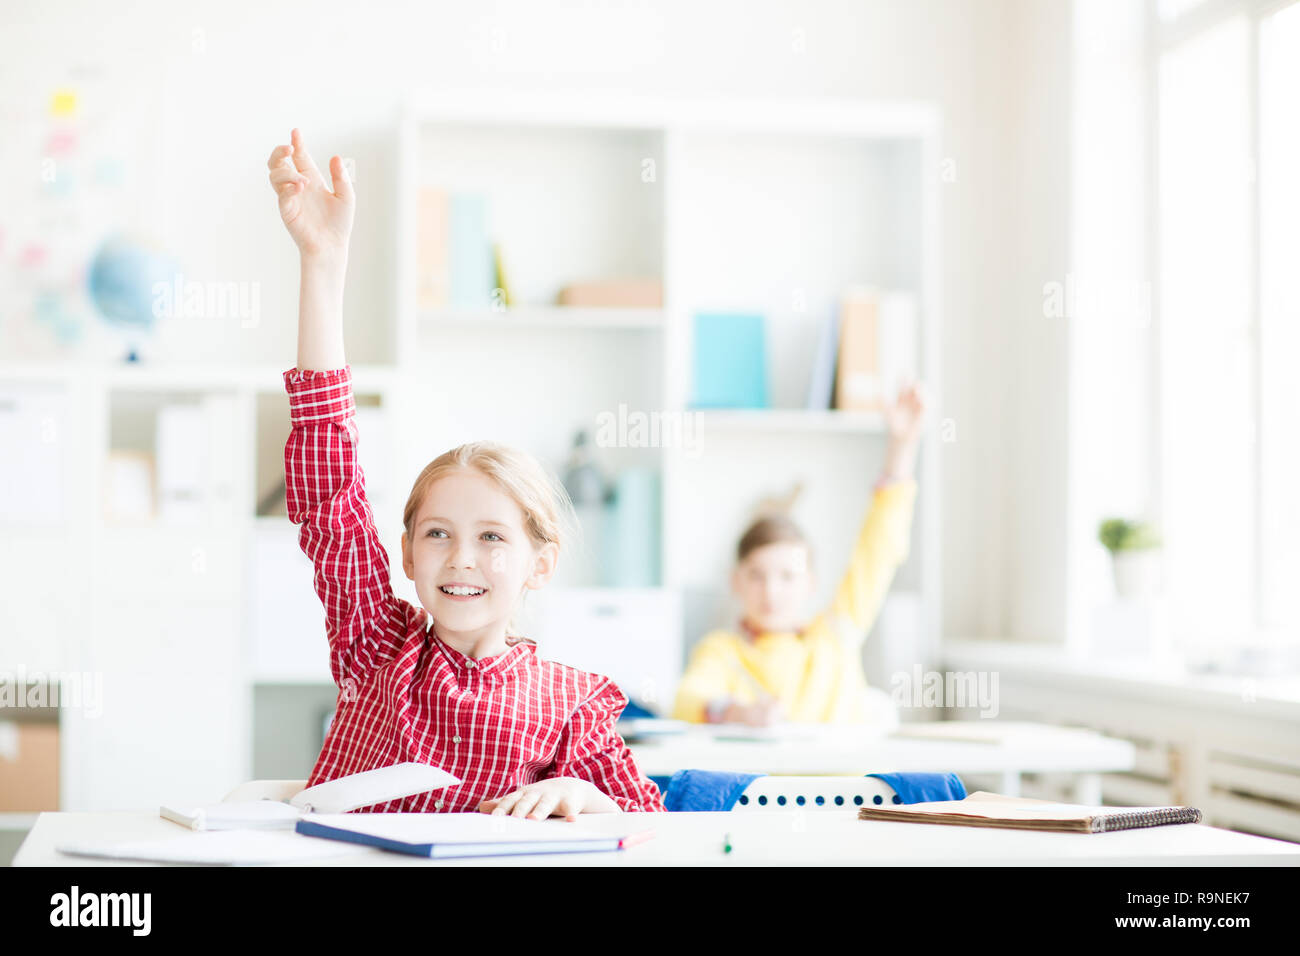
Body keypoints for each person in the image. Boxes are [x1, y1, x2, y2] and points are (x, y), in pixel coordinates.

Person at [268, 129, 664, 820]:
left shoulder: (570, 704)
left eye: (492, 538)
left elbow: (651, 829)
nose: (461, 558)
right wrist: (321, 267)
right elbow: (330, 484)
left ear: (540, 563)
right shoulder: (374, 646)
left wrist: (585, 795)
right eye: (439, 534)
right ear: (406, 553)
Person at [670, 383, 928, 726]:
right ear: (736, 581)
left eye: (787, 577)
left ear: (810, 583)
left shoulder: (835, 637)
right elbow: (686, 701)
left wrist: (902, 447)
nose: (771, 592)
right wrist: (738, 713)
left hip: (840, 780)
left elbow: (877, 551)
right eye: (757, 576)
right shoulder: (722, 652)